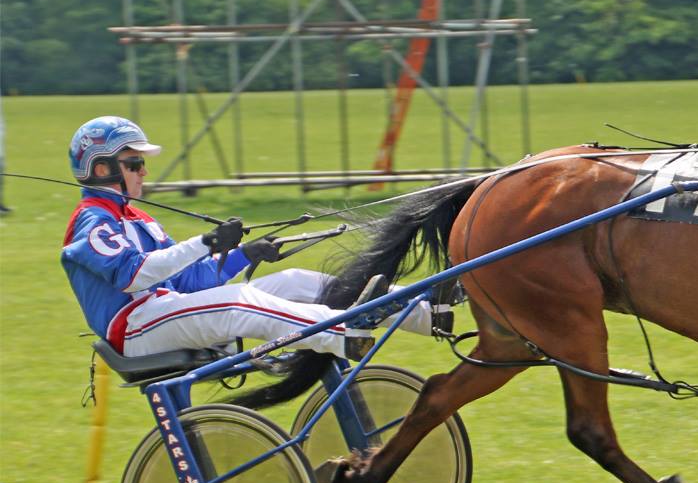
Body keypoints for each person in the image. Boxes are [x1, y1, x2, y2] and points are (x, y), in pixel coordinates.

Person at [61, 116, 437, 362]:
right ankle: (343, 330)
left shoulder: (138, 219)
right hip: (135, 327)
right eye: (135, 164)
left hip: (165, 312)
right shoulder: (93, 220)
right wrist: (206, 243)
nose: (144, 172)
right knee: (240, 300)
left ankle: (424, 310)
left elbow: (189, 282)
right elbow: (133, 277)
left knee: (294, 281)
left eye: (142, 163)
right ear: (101, 168)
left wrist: (243, 254)